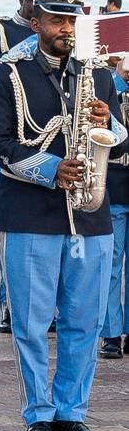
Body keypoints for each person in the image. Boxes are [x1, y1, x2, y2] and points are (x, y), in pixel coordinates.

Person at [0, 0, 126, 431]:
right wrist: (50, 170)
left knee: (85, 320)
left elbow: (121, 140)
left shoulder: (97, 74)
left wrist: (110, 124)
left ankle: (71, 412)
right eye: (56, 21)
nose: (66, 29)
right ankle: (37, 413)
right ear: (35, 22)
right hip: (28, 215)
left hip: (89, 214)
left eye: (71, 22)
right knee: (30, 321)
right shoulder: (7, 75)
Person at [0, 0, 64, 333]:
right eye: (36, 1)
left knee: (60, 227)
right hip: (11, 141)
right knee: (10, 226)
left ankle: (53, 307)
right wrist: (34, 42)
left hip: (57, 141)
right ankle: (10, 301)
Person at [102, 66, 129, 358]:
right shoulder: (106, 81)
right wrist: (121, 77)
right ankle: (110, 331)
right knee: (110, 261)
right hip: (115, 178)